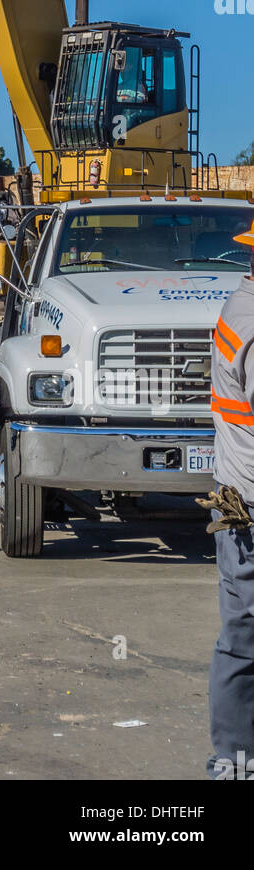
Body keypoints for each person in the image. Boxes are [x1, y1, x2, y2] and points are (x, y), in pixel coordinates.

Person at [206, 219, 254, 777]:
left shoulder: (238, 306)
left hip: (238, 495)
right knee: (245, 642)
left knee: (243, 638)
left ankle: (236, 761)